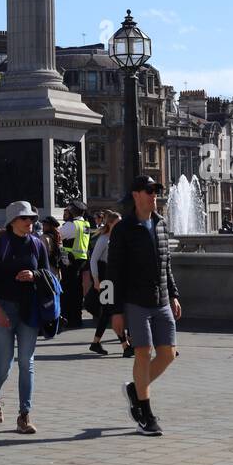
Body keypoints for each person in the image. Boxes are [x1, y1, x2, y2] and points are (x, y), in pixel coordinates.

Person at [107, 176, 181, 436]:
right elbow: (113, 273)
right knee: (143, 352)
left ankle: (134, 389)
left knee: (168, 353)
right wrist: (115, 311)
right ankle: (146, 415)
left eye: (156, 191)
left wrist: (173, 294)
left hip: (160, 299)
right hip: (135, 301)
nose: (154, 195)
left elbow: (166, 263)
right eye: (149, 191)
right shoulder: (123, 229)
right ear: (136, 195)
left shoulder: (160, 224)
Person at [0, 201, 51, 434]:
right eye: (25, 218)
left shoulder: (37, 245)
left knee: (27, 362)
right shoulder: (0, 245)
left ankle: (24, 415)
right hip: (3, 308)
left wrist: (34, 275)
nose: (30, 222)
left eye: (31, 218)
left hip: (29, 309)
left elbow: (48, 274)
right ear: (12, 221)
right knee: (5, 364)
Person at [88, 211, 133, 357]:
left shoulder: (117, 238)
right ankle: (126, 346)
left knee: (108, 312)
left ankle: (96, 343)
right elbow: (93, 260)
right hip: (105, 280)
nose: (121, 225)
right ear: (110, 223)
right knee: (112, 311)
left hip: (114, 279)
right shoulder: (104, 239)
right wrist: (95, 279)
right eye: (118, 222)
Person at [60, 202, 91, 328]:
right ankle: (77, 318)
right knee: (77, 291)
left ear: (73, 212)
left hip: (70, 261)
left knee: (68, 291)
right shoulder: (85, 224)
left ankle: (68, 318)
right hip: (81, 260)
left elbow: (59, 235)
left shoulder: (71, 225)